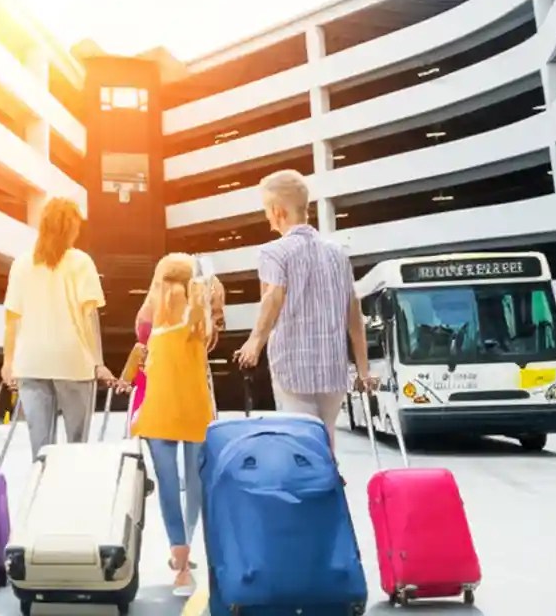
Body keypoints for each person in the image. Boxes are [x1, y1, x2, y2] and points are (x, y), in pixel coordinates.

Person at [233, 169, 376, 468]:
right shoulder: (338, 254)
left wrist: (254, 343)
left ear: (277, 211)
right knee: (326, 444)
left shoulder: (273, 253)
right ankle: (329, 496)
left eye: (266, 211)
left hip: (292, 368)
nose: (267, 218)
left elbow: (272, 299)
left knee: (299, 452)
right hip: (333, 372)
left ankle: (309, 503)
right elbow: (355, 318)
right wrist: (363, 371)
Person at [1, 197, 118, 461]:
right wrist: (98, 362)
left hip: (31, 363)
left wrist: (8, 361)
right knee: (77, 447)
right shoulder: (80, 262)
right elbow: (90, 318)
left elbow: (11, 318)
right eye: (75, 226)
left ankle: (42, 497)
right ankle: (72, 498)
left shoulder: (21, 264)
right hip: (73, 363)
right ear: (69, 227)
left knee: (41, 450)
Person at [130, 253, 216, 597]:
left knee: (168, 484)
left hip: (158, 409)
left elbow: (141, 352)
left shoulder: (147, 314)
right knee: (195, 483)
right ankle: (189, 548)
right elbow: (208, 338)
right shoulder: (198, 312)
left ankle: (178, 558)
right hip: (194, 408)